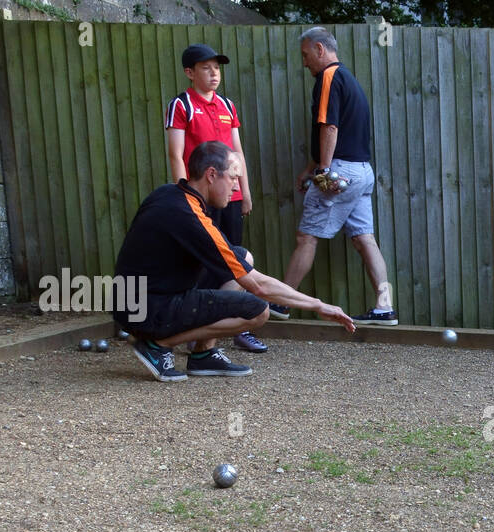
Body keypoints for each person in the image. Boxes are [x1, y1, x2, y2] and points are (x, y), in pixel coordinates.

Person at [114, 141, 354, 383]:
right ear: (211, 175)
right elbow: (257, 285)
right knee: (258, 311)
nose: (236, 187)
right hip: (144, 308)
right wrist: (319, 305)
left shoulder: (170, 194)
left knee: (242, 257)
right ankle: (157, 345)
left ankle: (202, 354)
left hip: (133, 299)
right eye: (232, 178)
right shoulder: (189, 216)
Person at [272, 26, 396, 326]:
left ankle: (281, 304)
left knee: (306, 237)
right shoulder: (349, 80)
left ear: (319, 49)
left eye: (305, 55)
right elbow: (337, 132)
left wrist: (323, 171)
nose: (304, 63)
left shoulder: (329, 77)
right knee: (365, 238)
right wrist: (309, 168)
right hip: (363, 172)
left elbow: (329, 127)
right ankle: (385, 308)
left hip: (340, 172)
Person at [165, 42, 266, 354]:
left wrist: (245, 191)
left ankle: (239, 324)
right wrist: (186, 197)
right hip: (201, 196)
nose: (213, 73)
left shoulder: (227, 106)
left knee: (234, 261)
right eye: (206, 68)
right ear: (189, 72)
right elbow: (175, 155)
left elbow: (237, 153)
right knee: (200, 263)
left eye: (217, 68)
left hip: (230, 197)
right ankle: (193, 329)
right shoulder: (181, 105)